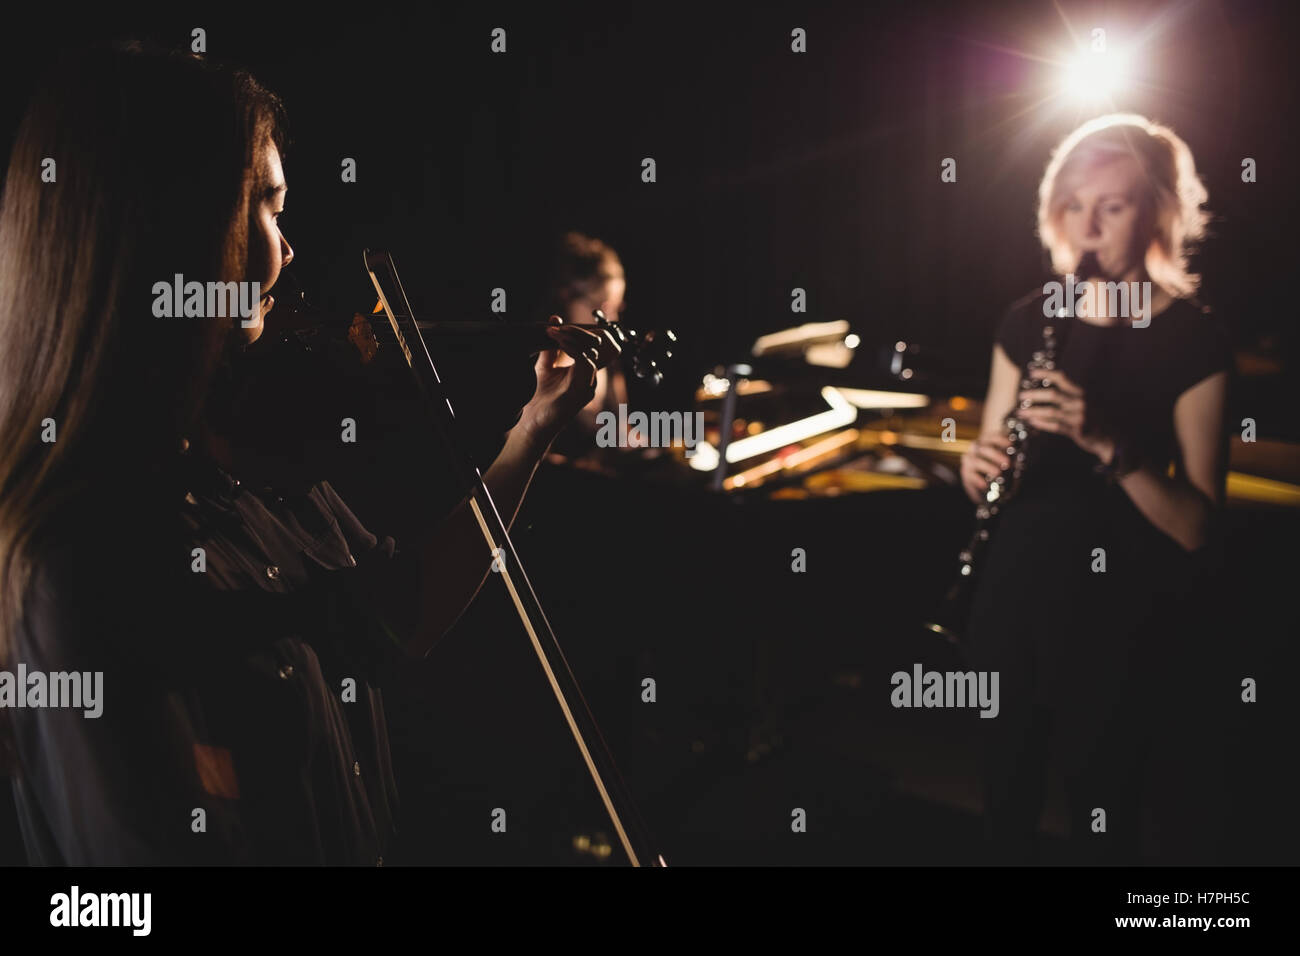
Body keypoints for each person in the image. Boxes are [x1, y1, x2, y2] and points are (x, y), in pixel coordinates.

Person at [0, 44, 612, 864]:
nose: (288, 251)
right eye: (266, 207)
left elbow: (402, 612)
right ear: (168, 226)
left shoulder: (236, 472)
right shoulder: (80, 567)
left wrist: (532, 432)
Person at [958, 114, 1231, 864]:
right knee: (1001, 806)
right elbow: (989, 464)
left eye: (1112, 205)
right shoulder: (1025, 320)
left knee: (1104, 812)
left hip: (1117, 615)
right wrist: (975, 469)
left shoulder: (1195, 340)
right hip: (1012, 595)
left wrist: (1109, 443)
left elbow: (1198, 525)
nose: (1089, 225)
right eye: (1075, 205)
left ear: (1159, 212)